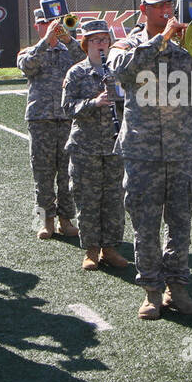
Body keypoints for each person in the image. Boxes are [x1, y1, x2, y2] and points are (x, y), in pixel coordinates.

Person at [107, 0, 192, 321]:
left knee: (180, 224)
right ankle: (151, 290)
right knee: (145, 225)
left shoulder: (184, 45)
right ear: (144, 8)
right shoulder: (126, 44)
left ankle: (177, 288)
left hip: (181, 149)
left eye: (168, 5)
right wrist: (161, 39)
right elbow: (121, 72)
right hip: (142, 150)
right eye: (158, 6)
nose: (166, 11)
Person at [61, 19, 129, 270]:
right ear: (85, 44)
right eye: (95, 40)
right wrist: (93, 102)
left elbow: (132, 103)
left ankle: (110, 248)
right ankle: (91, 249)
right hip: (85, 146)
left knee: (113, 199)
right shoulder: (76, 72)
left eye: (104, 40)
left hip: (113, 145)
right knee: (87, 199)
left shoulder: (119, 70)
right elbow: (67, 107)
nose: (101, 44)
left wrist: (120, 98)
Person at [18, 8, 84, 240]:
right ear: (37, 27)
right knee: (42, 174)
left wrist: (69, 38)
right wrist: (46, 42)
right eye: (45, 24)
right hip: (40, 119)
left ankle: (66, 220)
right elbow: (27, 66)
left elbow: (85, 62)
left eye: (53, 23)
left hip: (67, 118)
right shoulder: (30, 51)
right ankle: (46, 220)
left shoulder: (71, 50)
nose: (52, 27)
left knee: (68, 173)